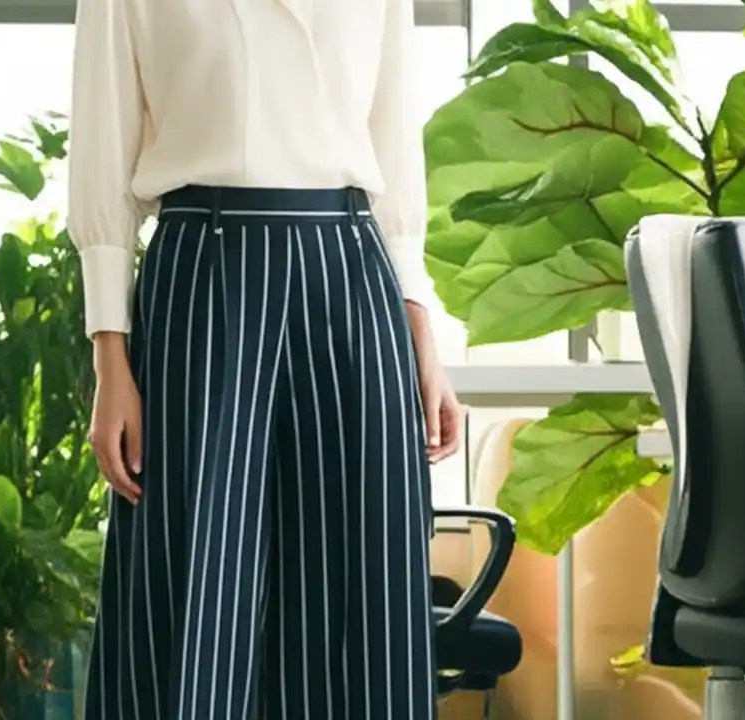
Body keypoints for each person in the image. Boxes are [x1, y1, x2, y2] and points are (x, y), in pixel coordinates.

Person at [67, 0, 463, 717]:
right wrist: (109, 359)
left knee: (361, 576)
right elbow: (101, 149)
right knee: (196, 570)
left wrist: (422, 334)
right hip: (203, 268)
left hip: (348, 265)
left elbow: (396, 146)